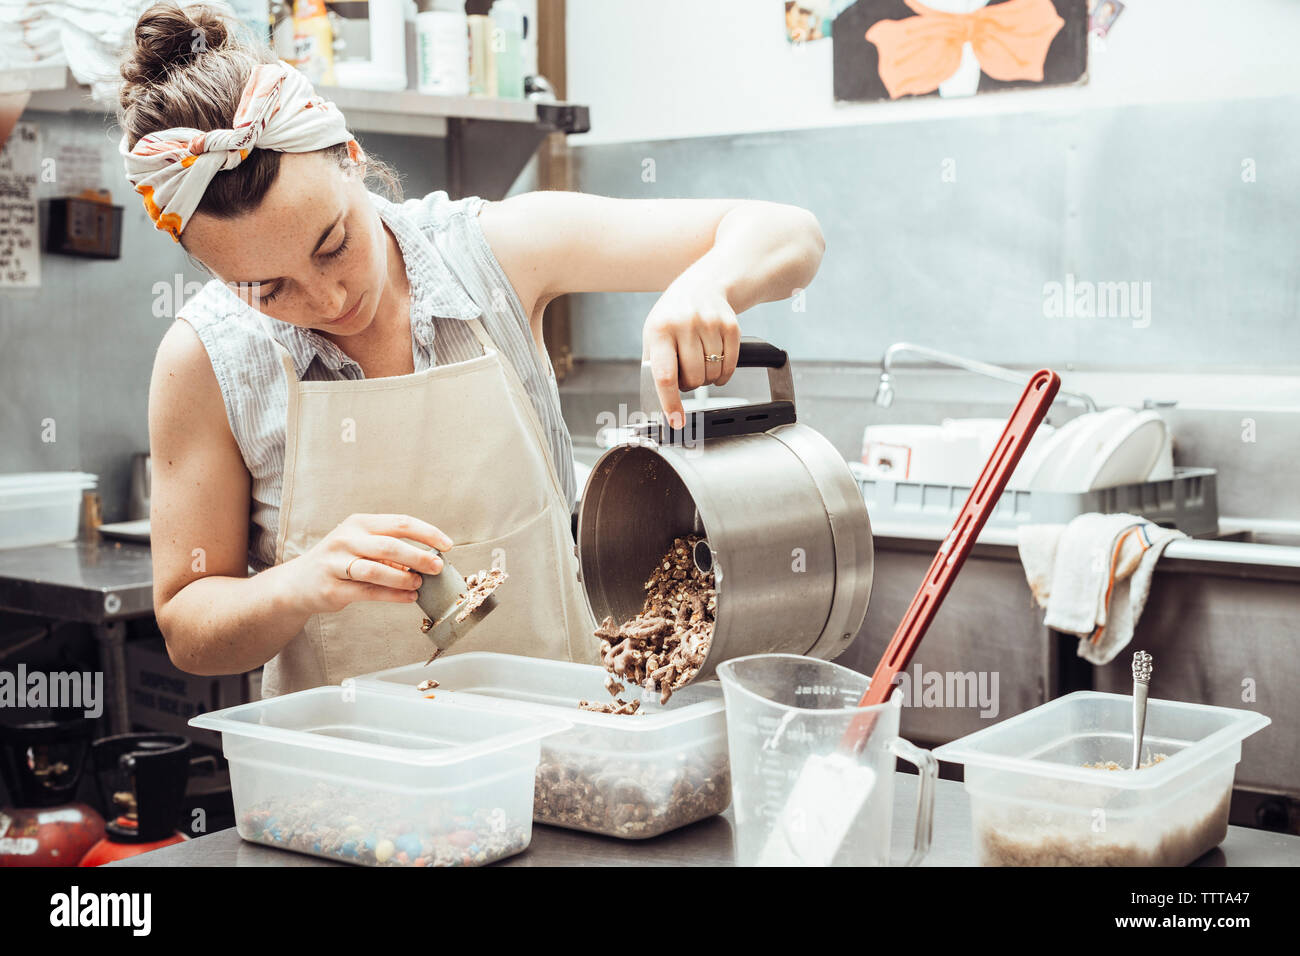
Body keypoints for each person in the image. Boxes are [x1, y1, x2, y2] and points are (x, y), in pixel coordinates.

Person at [122, 3, 825, 697]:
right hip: (347, 782)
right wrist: (298, 586)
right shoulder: (205, 360)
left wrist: (706, 282)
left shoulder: (495, 256)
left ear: (352, 160)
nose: (329, 300)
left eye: (334, 244)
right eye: (268, 289)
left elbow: (789, 234)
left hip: (565, 751)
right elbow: (189, 628)